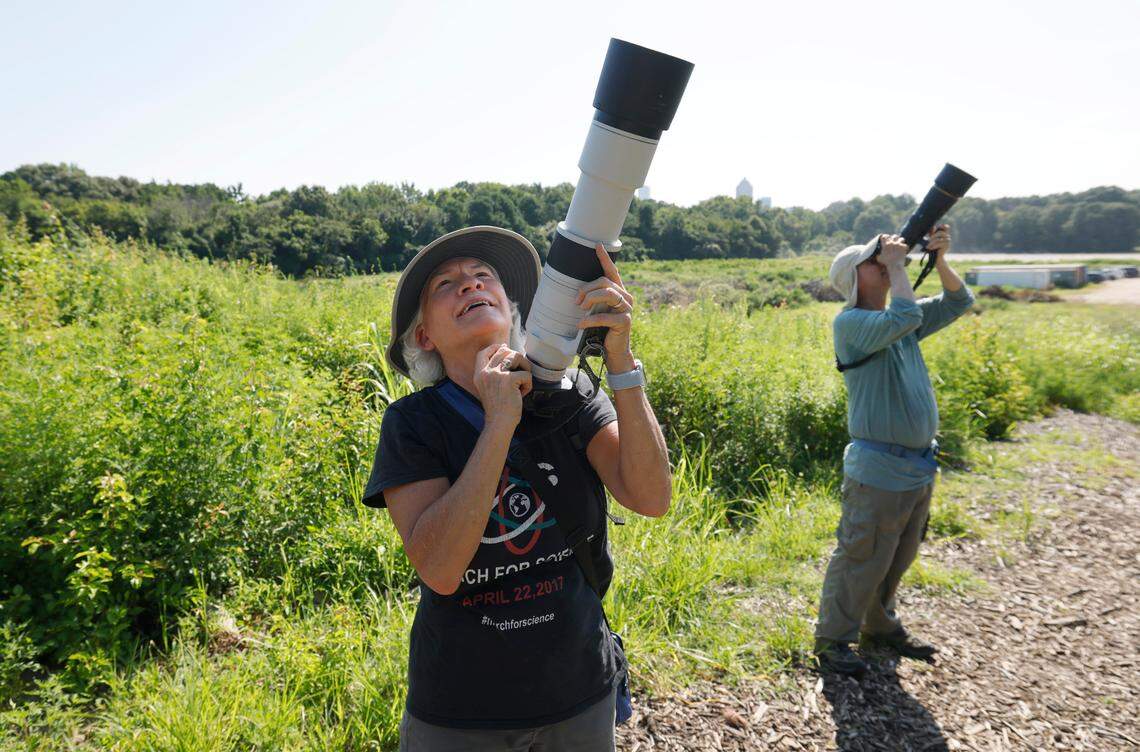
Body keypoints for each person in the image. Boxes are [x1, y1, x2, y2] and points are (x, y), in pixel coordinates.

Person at [361, 225, 672, 750]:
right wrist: (500, 420)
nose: (470, 284)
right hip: (461, 713)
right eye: (445, 285)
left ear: (513, 310)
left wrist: (619, 360)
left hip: (580, 692)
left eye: (484, 275)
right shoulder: (413, 424)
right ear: (424, 337)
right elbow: (439, 570)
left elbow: (651, 498)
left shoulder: (571, 395)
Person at [814, 224, 975, 678]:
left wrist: (939, 261)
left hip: (916, 467)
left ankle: (879, 627)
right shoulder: (852, 323)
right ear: (854, 278)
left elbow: (959, 302)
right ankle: (832, 641)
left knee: (896, 558)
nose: (885, 263)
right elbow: (904, 316)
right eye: (875, 260)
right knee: (861, 556)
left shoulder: (898, 322)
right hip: (878, 468)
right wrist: (900, 266)